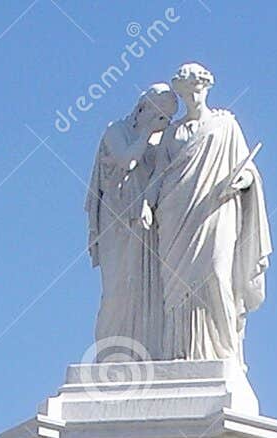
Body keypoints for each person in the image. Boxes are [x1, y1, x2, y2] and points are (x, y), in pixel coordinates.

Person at [145, 63, 270, 362]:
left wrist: (243, 180)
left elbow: (247, 167)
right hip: (174, 213)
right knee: (175, 285)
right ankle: (180, 351)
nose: (193, 97)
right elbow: (159, 174)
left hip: (215, 209)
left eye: (197, 90)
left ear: (206, 89)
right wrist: (146, 203)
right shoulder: (172, 132)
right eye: (187, 92)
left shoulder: (225, 126)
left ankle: (224, 350)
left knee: (215, 272)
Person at [85, 84, 177, 355]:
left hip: (146, 220)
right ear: (143, 107)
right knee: (117, 286)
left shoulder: (161, 141)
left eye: (167, 117)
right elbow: (127, 160)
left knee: (146, 286)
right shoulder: (117, 130)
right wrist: (147, 132)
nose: (163, 121)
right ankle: (111, 352)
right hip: (116, 217)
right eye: (160, 113)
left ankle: (147, 349)